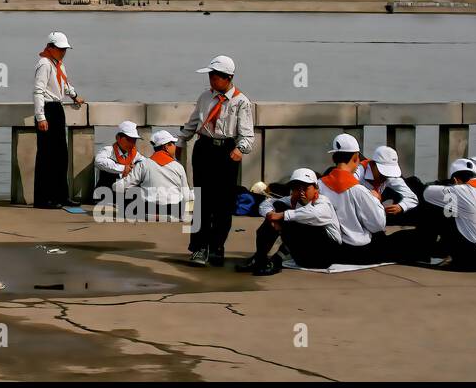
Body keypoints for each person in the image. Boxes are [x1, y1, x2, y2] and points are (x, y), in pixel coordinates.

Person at [179, 54, 254, 267]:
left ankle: (217, 246)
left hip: (227, 152)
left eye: (215, 76)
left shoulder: (241, 102)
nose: (212, 80)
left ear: (227, 77)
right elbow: (193, 122)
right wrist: (181, 140)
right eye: (210, 76)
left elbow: (247, 135)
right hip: (204, 149)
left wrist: (241, 149)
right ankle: (199, 248)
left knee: (224, 203)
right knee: (202, 200)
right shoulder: (205, 97)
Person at [395, 159, 476, 272]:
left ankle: (427, 252)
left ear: (455, 180)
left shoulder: (460, 190)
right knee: (452, 209)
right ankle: (438, 251)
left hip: (474, 261)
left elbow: (423, 192)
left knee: (441, 209)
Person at [236, 168, 341, 276]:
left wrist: (282, 215)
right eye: (297, 188)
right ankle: (260, 258)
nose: (301, 192)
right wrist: (271, 215)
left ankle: (276, 261)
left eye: (305, 188)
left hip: (325, 255)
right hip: (303, 255)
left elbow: (314, 214)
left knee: (294, 219)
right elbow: (266, 203)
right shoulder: (293, 200)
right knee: (278, 207)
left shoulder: (323, 202)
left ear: (316, 188)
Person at [32, 31, 87, 209]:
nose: (63, 52)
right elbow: (38, 91)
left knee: (60, 157)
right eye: (61, 49)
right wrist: (40, 116)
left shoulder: (59, 65)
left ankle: (60, 196)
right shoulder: (44, 64)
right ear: (51, 47)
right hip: (47, 109)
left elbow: (65, 84)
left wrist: (75, 96)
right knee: (46, 157)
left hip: (57, 109)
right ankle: (43, 199)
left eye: (65, 49)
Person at [317, 134, 387, 263]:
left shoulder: (319, 185)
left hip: (332, 249)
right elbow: (378, 225)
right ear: (356, 157)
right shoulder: (359, 190)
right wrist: (376, 200)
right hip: (358, 251)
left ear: (334, 157)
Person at [113, 128, 190, 219]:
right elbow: (186, 195)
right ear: (166, 147)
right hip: (174, 210)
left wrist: (121, 180)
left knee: (131, 189)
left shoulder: (143, 164)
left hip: (149, 209)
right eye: (173, 144)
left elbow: (119, 187)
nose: (175, 146)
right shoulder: (178, 167)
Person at [359, 145, 419, 226]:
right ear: (373, 165)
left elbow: (412, 198)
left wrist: (401, 206)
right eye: (382, 173)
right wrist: (367, 195)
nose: (385, 177)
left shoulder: (390, 177)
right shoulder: (357, 173)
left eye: (388, 174)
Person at [94, 121, 142, 197]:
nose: (132, 143)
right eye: (129, 139)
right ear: (118, 138)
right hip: (106, 192)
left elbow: (146, 163)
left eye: (134, 140)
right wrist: (123, 168)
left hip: (124, 192)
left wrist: (136, 168)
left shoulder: (135, 154)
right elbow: (98, 161)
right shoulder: (108, 150)